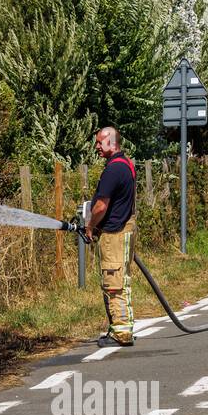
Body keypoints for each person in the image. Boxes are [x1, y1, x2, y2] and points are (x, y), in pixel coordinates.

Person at [84, 126, 137, 347]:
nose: (96, 146)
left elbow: (100, 206)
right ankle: (122, 327)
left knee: (113, 284)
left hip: (114, 235)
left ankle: (122, 334)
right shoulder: (127, 164)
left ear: (111, 142)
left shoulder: (113, 170)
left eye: (99, 142)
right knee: (121, 282)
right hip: (124, 231)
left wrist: (90, 226)